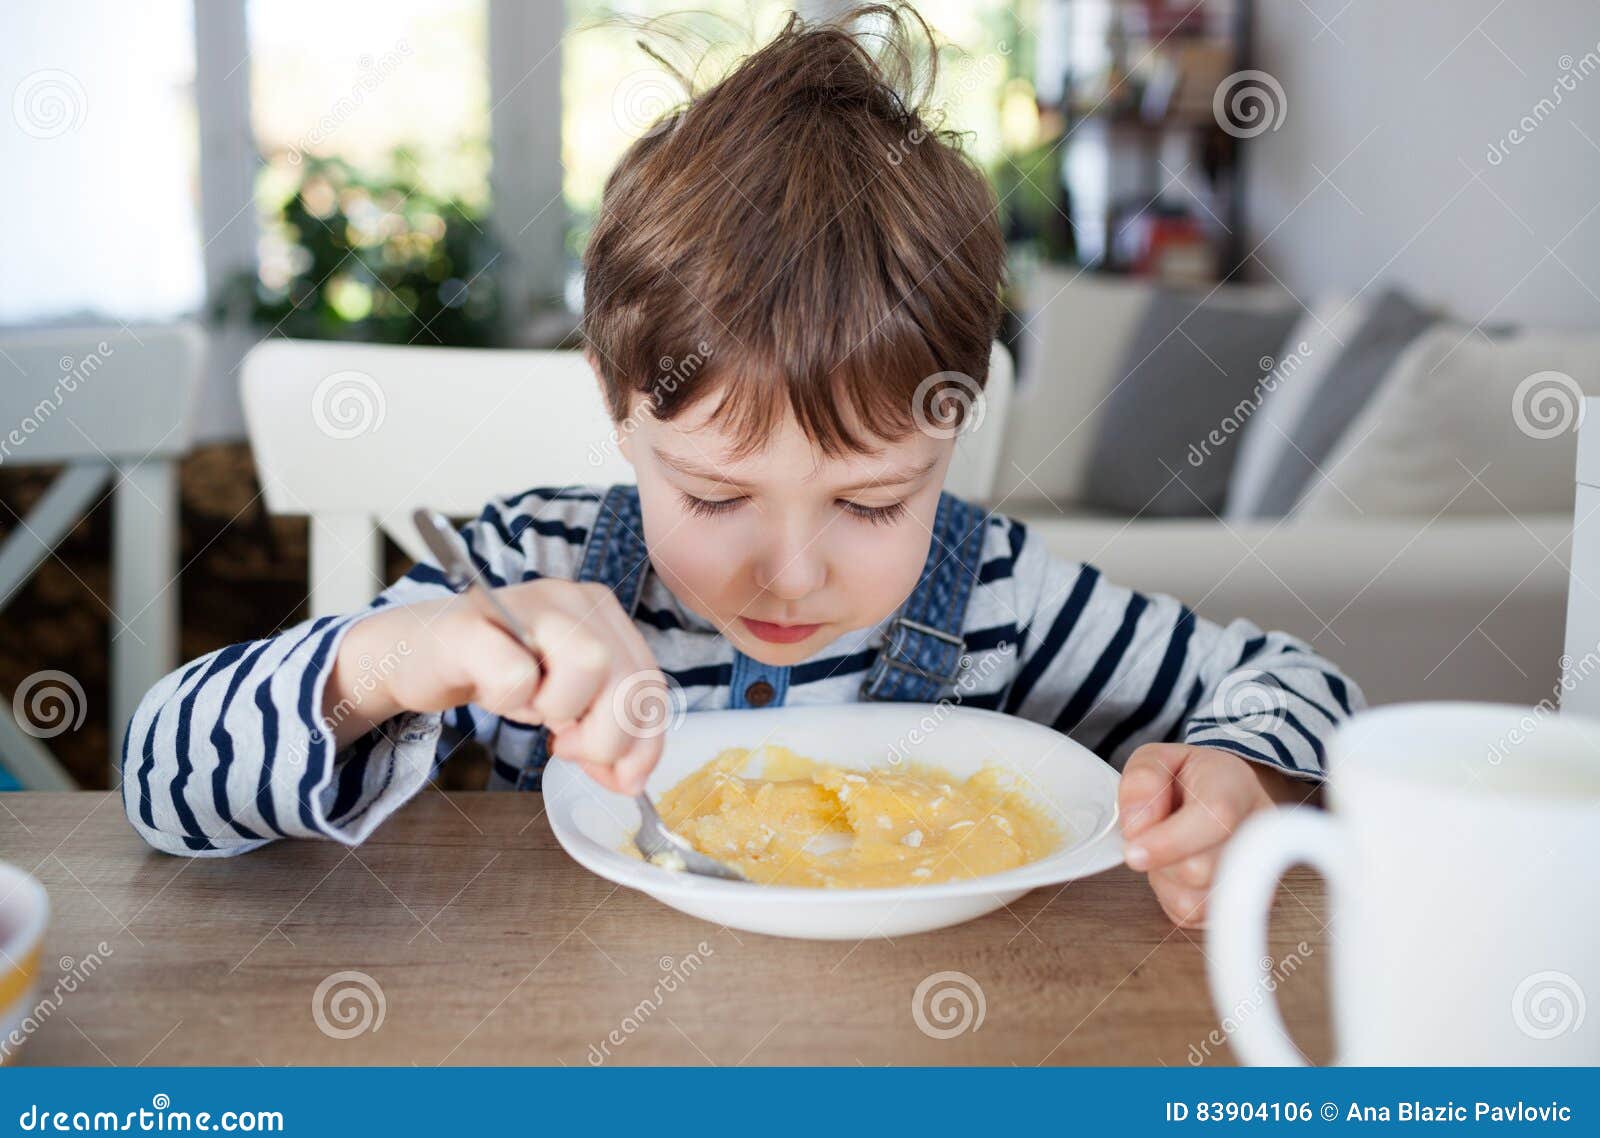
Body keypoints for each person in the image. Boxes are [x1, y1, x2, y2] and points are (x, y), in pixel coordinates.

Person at [122, 4, 1362, 928]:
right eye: (714, 493)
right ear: (619, 412)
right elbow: (159, 780)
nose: (793, 566)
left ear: (955, 425)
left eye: (874, 501)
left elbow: (1303, 684)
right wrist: (399, 658)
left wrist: (1239, 775)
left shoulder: (1000, 594)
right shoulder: (524, 566)